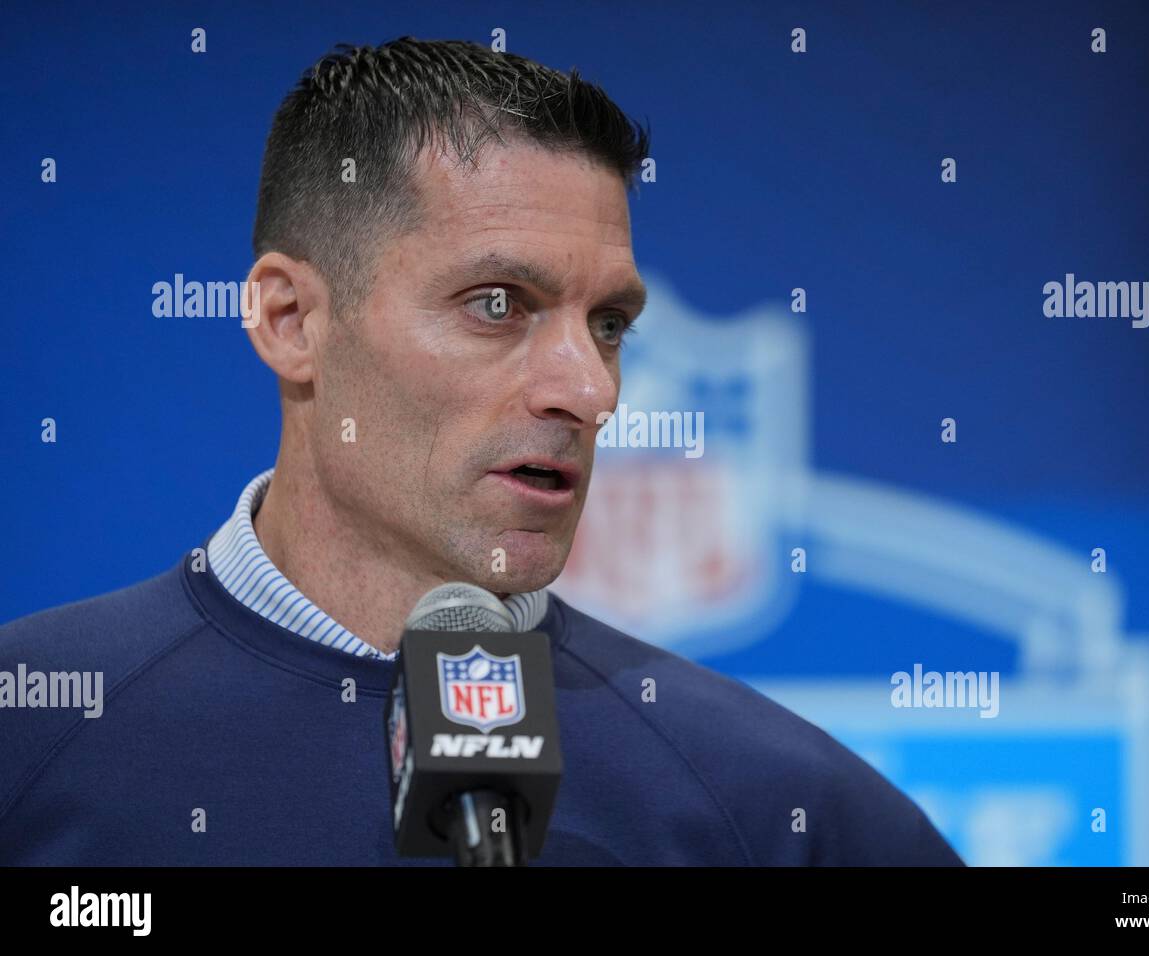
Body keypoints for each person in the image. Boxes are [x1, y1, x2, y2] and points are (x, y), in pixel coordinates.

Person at [0, 37, 962, 866]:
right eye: (497, 303)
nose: (591, 390)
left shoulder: (783, 810)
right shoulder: (30, 727)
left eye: (612, 323)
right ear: (290, 320)